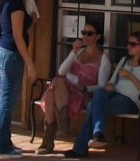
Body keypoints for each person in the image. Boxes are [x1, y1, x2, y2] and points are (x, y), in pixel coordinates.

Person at [63, 30, 140, 158]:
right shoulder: (124, 60)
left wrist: (130, 77)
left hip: (131, 100)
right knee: (100, 93)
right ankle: (98, 134)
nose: (128, 46)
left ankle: (83, 146)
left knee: (92, 107)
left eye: (133, 44)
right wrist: (110, 86)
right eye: (128, 43)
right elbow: (112, 81)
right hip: (114, 94)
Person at [34, 19, 110, 154]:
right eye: (83, 33)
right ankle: (62, 125)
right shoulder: (78, 53)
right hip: (65, 91)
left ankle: (48, 141)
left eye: (90, 33)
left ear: (98, 36)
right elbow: (62, 71)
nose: (85, 37)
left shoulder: (103, 59)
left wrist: (85, 88)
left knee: (53, 92)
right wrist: (74, 52)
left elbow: (102, 86)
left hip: (82, 93)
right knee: (57, 83)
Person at [0, 0, 37, 157]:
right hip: (11, 54)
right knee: (7, 100)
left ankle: (5, 142)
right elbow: (18, 36)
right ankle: (1, 147)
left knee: (6, 99)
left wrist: (32, 19)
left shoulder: (7, 1)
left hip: (3, 52)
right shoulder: (16, 5)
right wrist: (30, 63)